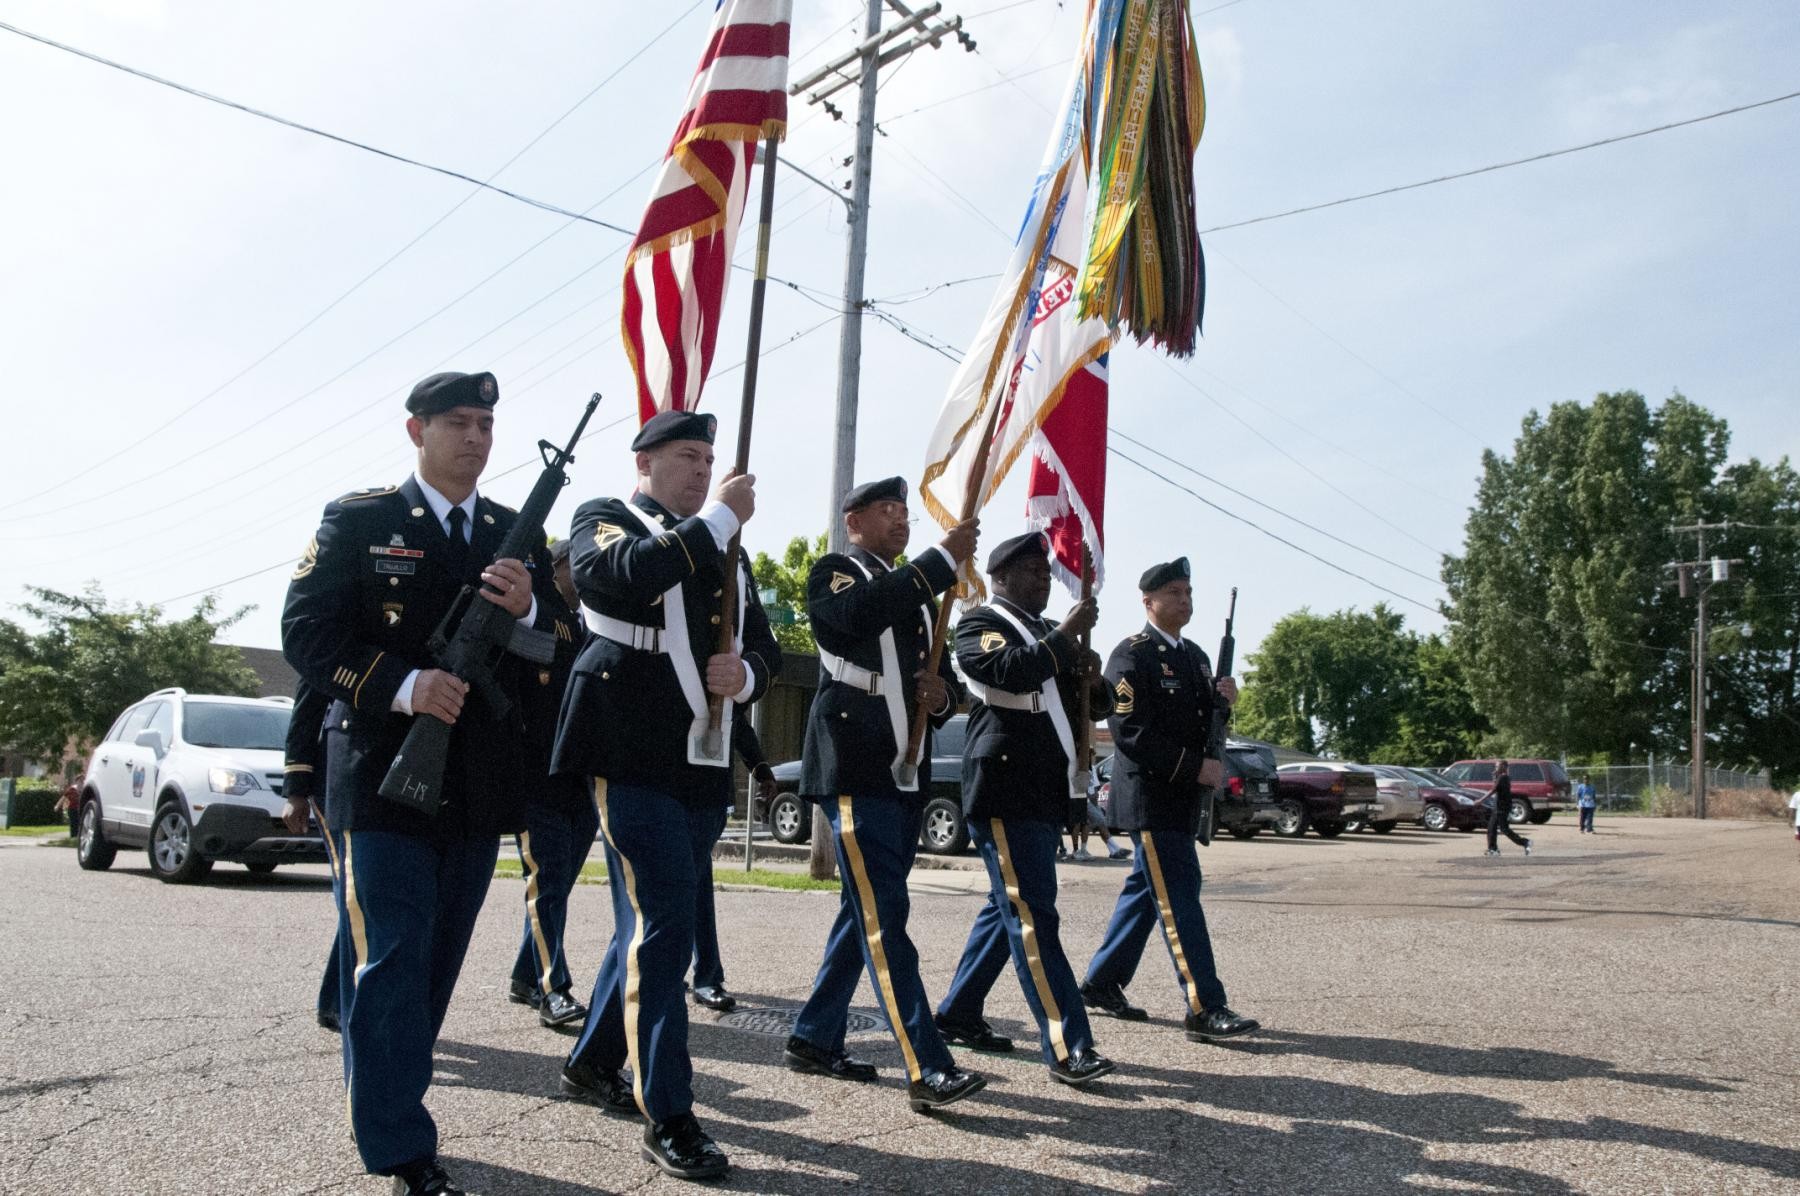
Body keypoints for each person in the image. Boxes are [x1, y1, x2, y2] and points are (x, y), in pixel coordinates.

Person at [281, 370, 561, 1196]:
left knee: (435, 964)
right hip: (379, 777)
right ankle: (402, 1147)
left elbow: (561, 648)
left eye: (485, 424)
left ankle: (393, 1097)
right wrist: (403, 688)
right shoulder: (362, 520)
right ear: (417, 431)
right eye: (457, 422)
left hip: (475, 781)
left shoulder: (515, 533)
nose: (475, 437)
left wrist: (533, 612)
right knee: (393, 960)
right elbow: (305, 633)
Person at [552, 409, 779, 1182]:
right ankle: (668, 1113)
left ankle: (591, 1064)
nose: (702, 469)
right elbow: (619, 577)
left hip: (701, 761)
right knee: (668, 921)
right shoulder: (606, 519)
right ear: (643, 461)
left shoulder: (729, 548)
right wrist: (719, 520)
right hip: (629, 744)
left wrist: (744, 675)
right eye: (687, 455)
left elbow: (767, 649)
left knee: (655, 922)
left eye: (709, 458)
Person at [786, 477, 987, 1113]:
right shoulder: (838, 572)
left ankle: (814, 1035)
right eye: (886, 509)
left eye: (905, 511)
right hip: (855, 762)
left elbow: (943, 676)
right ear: (854, 520)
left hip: (905, 767)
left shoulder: (925, 597)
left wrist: (942, 696)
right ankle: (926, 1063)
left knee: (865, 908)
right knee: (885, 915)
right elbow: (857, 616)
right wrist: (939, 561)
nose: (901, 519)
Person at [934, 531, 1117, 1087]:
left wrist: (1089, 670)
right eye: (1034, 573)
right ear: (1002, 577)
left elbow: (1099, 701)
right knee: (1034, 915)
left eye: (1047, 572)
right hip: (1005, 786)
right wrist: (1066, 636)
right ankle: (1068, 1044)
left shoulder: (1048, 633)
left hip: (1043, 789)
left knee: (1007, 907)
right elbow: (1008, 671)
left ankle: (960, 1011)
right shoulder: (979, 623)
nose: (1045, 582)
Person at [1080, 558, 1261, 1045]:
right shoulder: (1131, 657)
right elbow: (1130, 733)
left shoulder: (1198, 657)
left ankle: (1100, 983)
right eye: (1175, 593)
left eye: (1188, 591)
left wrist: (1228, 698)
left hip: (1183, 801)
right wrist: (1192, 766)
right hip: (1152, 799)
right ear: (1149, 602)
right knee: (1180, 895)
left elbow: (1207, 721)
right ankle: (1205, 1006)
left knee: (1145, 893)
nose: (1185, 600)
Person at [505, 536, 593, 1029]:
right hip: (537, 774)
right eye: (578, 563)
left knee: (557, 883)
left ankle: (524, 973)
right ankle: (550, 987)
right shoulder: (537, 612)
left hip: (578, 777)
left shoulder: (592, 621)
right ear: (557, 564)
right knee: (549, 880)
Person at [686, 713, 778, 1013]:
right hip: (664, 786)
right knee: (671, 884)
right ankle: (678, 972)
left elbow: (735, 721)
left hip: (710, 791)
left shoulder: (724, 667)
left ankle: (706, 976)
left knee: (696, 881)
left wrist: (761, 768)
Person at [278, 682, 339, 1032]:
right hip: (331, 784)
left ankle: (339, 1000)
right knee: (355, 895)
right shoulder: (331, 638)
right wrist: (296, 791)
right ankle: (336, 1003)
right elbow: (306, 712)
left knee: (364, 900)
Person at [1486, 761, 1532, 856]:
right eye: (1495, 766)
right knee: (1492, 828)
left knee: (1504, 829)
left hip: (1501, 807)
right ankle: (1493, 850)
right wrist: (1494, 776)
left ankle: (1525, 842)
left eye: (1497, 766)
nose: (1495, 767)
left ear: (1503, 767)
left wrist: (1480, 800)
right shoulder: (1502, 777)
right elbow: (1496, 787)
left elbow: (1493, 790)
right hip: (1498, 806)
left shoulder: (1503, 777)